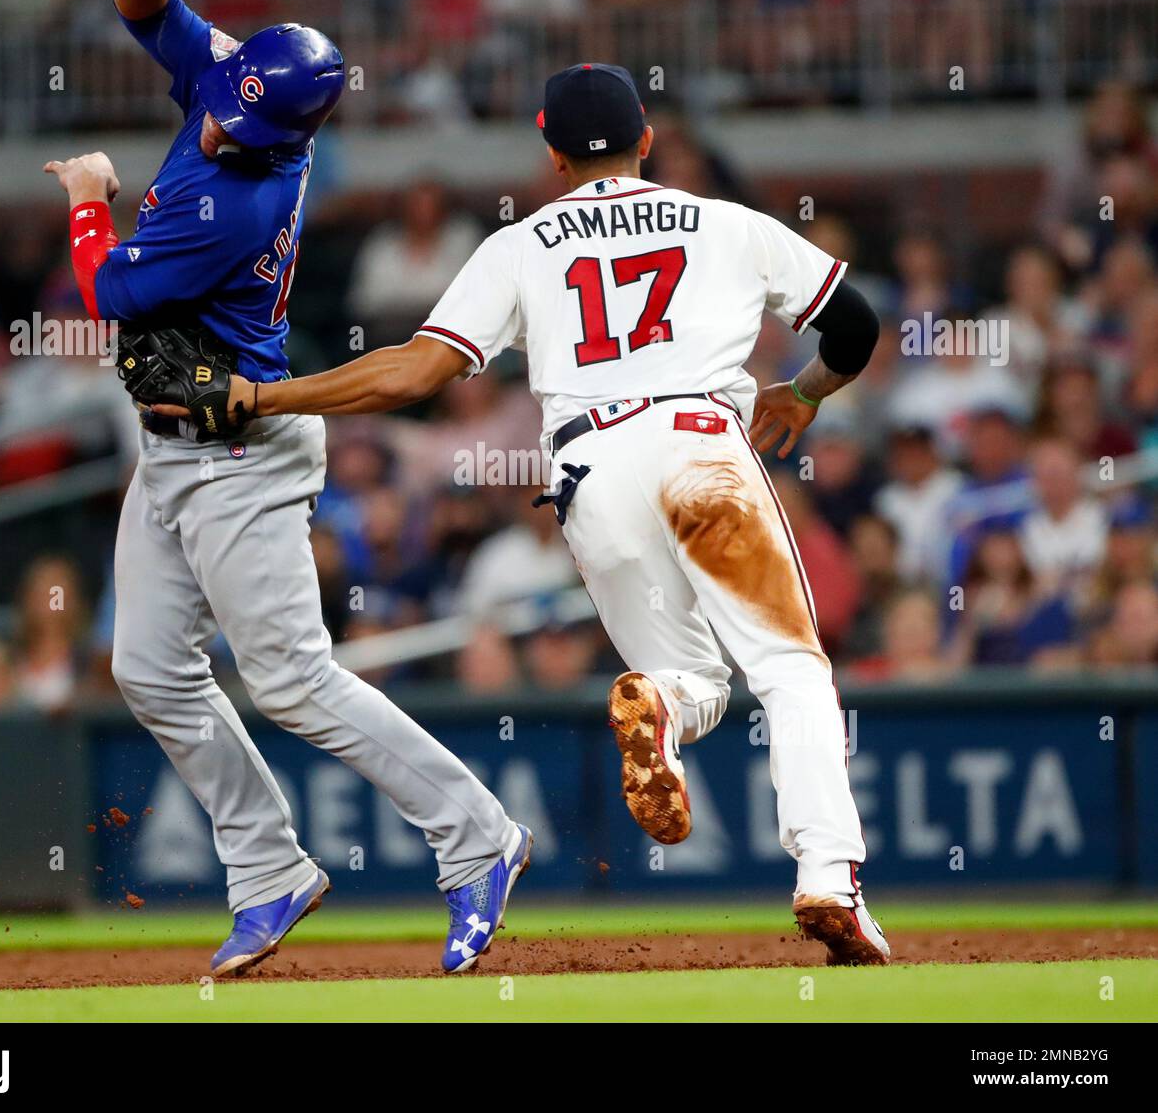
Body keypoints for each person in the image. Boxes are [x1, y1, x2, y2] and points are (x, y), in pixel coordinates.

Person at [172, 63, 891, 965]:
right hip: (702, 441)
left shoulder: (522, 244)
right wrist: (803, 393)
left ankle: (661, 705)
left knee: (688, 675)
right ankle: (828, 874)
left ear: (551, 153)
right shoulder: (726, 221)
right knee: (788, 667)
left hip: (589, 464)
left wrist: (262, 393)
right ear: (649, 141)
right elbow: (855, 325)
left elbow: (414, 371)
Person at [41, 0, 530, 978]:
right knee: (148, 669)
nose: (217, 127)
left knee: (292, 680)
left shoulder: (242, 194)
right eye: (224, 105)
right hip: (176, 444)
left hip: (242, 447)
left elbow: (111, 294)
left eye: (239, 123)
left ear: (283, 132)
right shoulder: (241, 88)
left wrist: (88, 201)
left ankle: (478, 834)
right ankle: (268, 869)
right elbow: (169, 36)